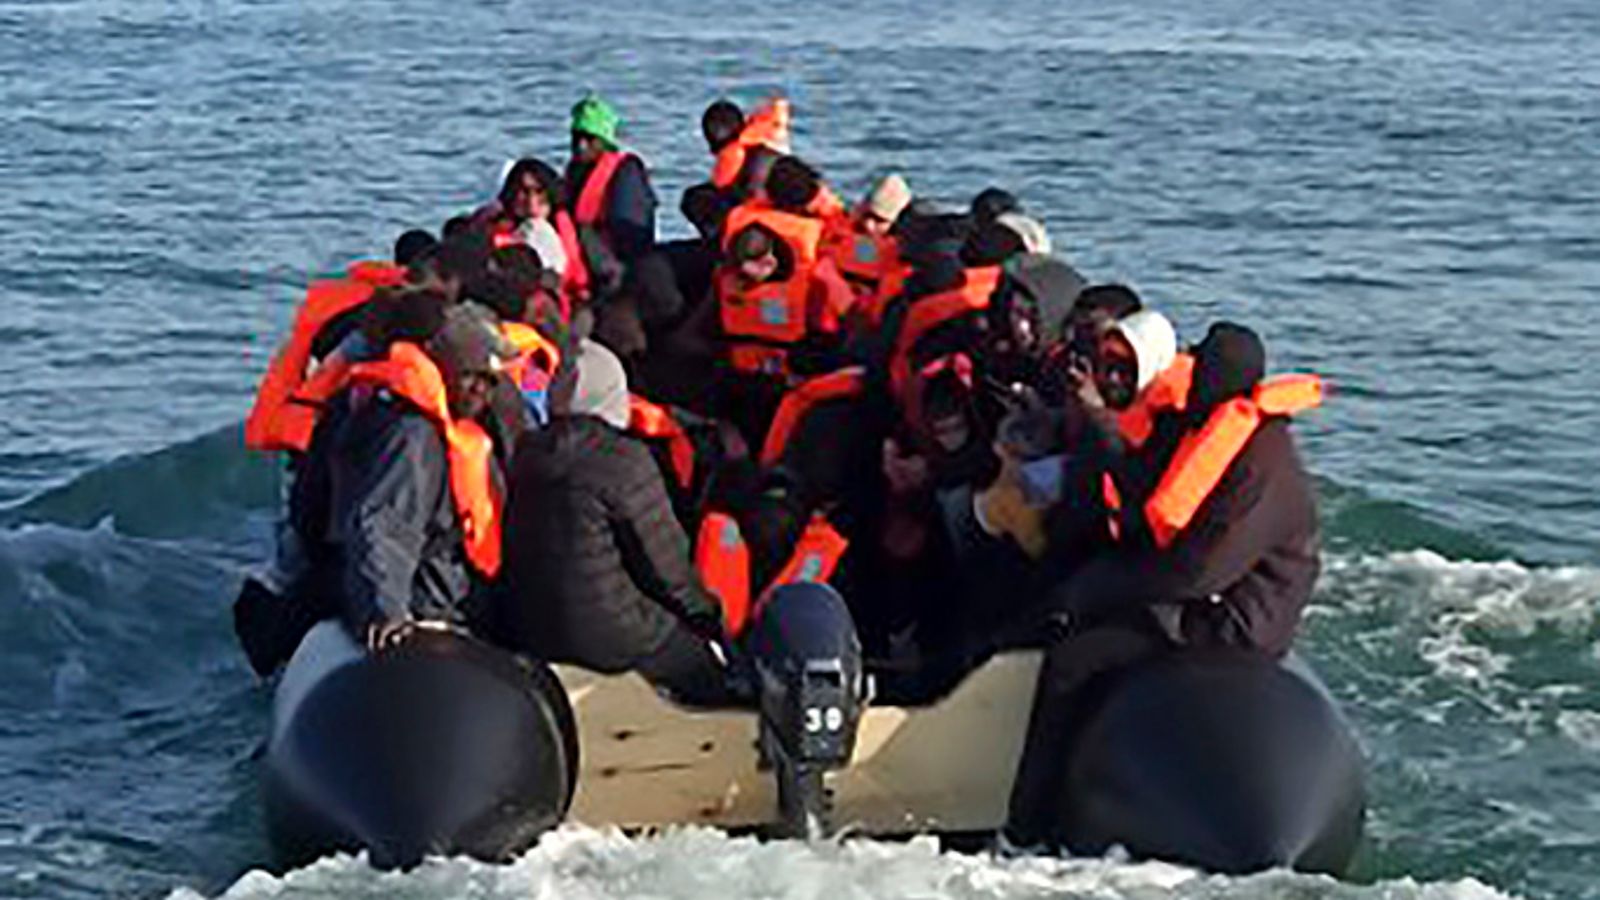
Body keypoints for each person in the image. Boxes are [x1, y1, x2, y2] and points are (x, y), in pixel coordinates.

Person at [1002, 321, 1325, 850]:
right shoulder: (1218, 433)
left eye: (1202, 370)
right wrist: (1098, 420)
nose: (1190, 378)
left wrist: (1095, 592)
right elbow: (1143, 487)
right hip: (1207, 602)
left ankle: (1028, 825)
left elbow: (1196, 574)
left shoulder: (1257, 465)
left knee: (1073, 660)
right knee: (1069, 602)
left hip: (1232, 625)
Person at [498, 339, 730, 705]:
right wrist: (706, 618)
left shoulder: (527, 452)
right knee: (706, 671)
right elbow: (664, 563)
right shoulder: (624, 460)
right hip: (610, 635)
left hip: (531, 625)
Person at [564, 95, 657, 291]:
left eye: (590, 139)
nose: (581, 145)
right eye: (577, 137)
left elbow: (633, 237)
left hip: (615, 269)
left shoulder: (626, 173)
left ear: (605, 141)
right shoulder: (575, 172)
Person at [827, 173, 912, 309]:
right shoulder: (835, 230)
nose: (869, 225)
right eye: (867, 215)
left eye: (880, 220)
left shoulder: (908, 252)